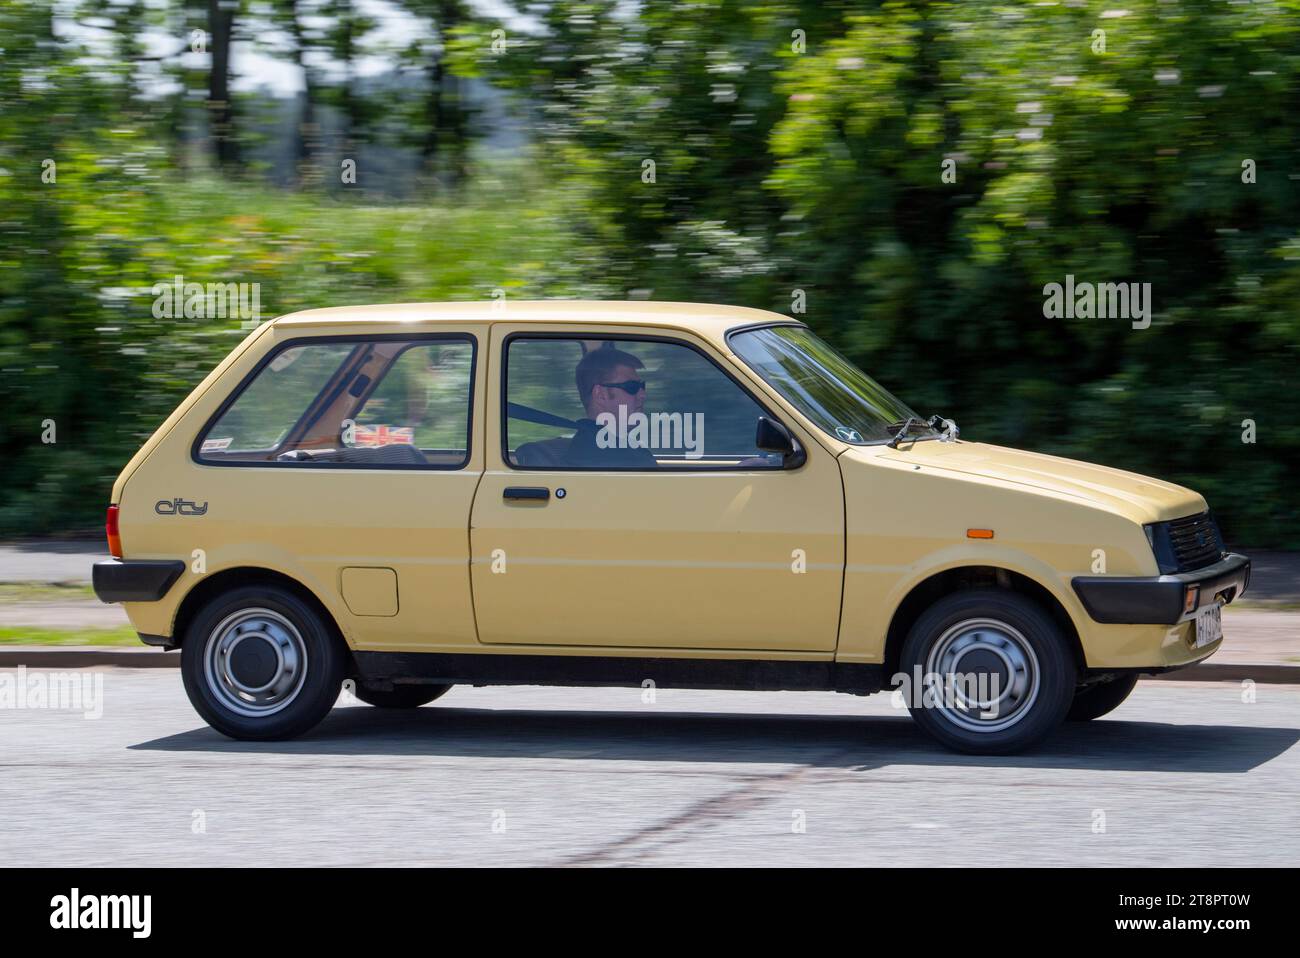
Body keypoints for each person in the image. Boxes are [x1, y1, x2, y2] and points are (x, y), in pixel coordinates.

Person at [563, 346, 658, 467]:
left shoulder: (617, 447)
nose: (642, 394)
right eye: (631, 387)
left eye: (642, 386)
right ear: (600, 395)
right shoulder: (603, 458)